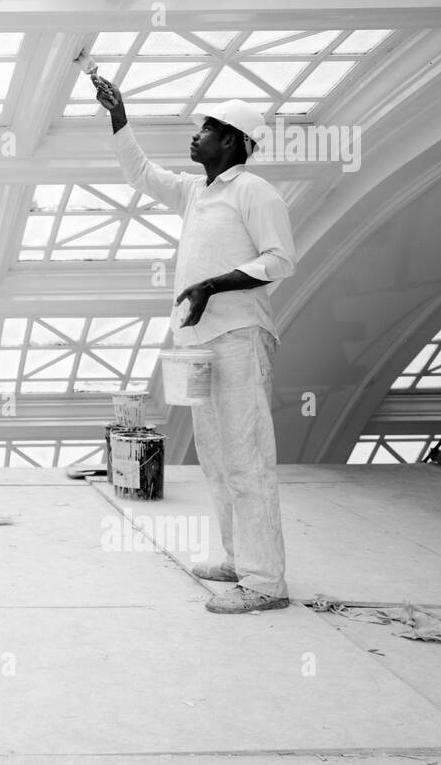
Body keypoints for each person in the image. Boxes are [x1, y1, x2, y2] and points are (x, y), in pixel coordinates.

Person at [92, 74, 296, 614]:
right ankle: (238, 558)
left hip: (239, 336)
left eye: (207, 128)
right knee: (216, 454)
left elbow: (279, 260)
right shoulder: (197, 193)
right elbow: (140, 174)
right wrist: (118, 116)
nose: (197, 135)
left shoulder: (254, 192)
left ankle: (265, 582)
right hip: (200, 343)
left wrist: (212, 284)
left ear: (231, 141)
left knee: (248, 456)